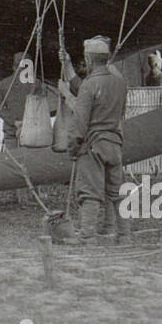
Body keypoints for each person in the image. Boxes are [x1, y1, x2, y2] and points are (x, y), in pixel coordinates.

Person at [60, 36, 128, 241]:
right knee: (116, 193)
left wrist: (72, 148)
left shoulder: (89, 85)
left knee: (89, 192)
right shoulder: (119, 83)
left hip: (93, 146)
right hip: (114, 144)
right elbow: (121, 112)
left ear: (88, 60)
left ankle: (87, 237)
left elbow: (79, 123)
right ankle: (124, 235)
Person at [0, 51, 31, 154]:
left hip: (11, 130)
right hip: (32, 131)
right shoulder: (36, 84)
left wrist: (14, 122)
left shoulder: (3, 84)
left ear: (13, 66)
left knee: (11, 162)